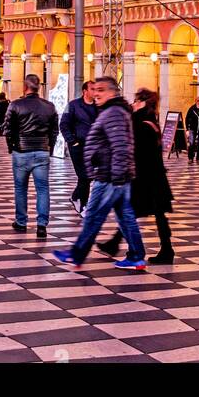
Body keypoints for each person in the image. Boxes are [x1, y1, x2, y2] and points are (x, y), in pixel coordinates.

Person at [54, 76, 147, 271]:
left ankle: (77, 254)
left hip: (110, 176)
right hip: (113, 174)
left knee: (95, 216)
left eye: (101, 90)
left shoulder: (113, 112)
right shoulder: (112, 110)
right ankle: (137, 256)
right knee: (125, 216)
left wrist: (118, 177)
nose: (96, 93)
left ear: (113, 92)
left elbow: (120, 146)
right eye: (95, 89)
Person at [97, 88, 175, 265]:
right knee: (156, 214)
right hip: (155, 178)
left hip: (145, 178)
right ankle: (166, 250)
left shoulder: (141, 125)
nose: (132, 104)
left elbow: (135, 153)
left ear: (142, 103)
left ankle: (126, 248)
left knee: (129, 211)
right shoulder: (151, 123)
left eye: (135, 101)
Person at [2, 74, 58, 237]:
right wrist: (50, 148)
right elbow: (54, 130)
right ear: (39, 87)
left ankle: (21, 221)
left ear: (25, 87)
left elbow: (8, 129)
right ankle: (42, 225)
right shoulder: (49, 106)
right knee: (42, 188)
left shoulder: (15, 105)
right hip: (42, 150)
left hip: (21, 151)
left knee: (21, 189)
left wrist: (11, 147)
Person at [60, 80, 99, 215]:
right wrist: (72, 141)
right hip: (78, 146)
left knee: (88, 176)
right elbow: (64, 124)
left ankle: (75, 196)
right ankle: (82, 206)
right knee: (85, 175)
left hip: (94, 147)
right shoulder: (73, 105)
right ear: (85, 91)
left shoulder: (99, 106)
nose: (95, 92)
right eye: (92, 89)